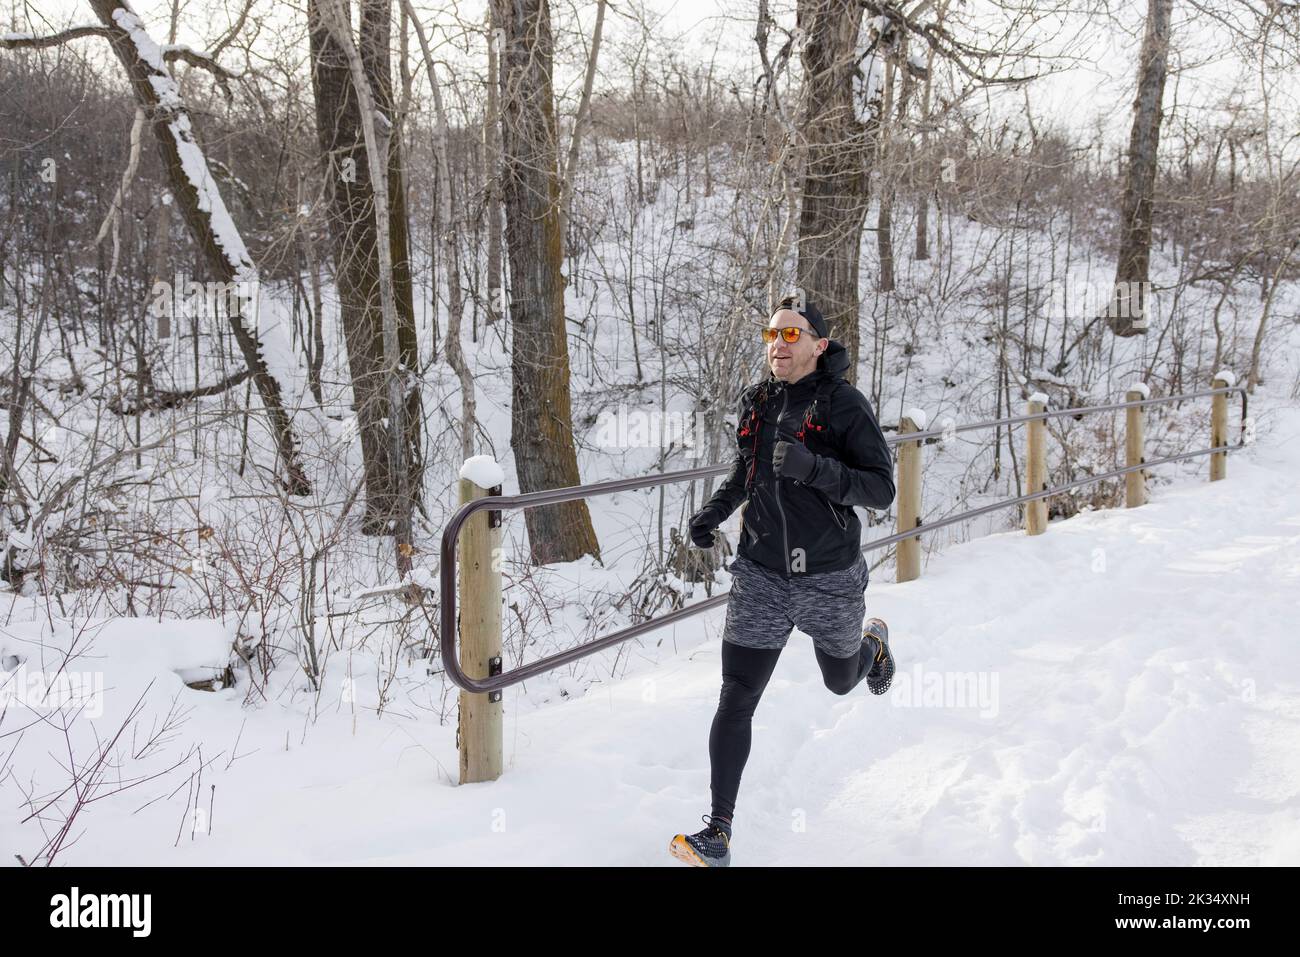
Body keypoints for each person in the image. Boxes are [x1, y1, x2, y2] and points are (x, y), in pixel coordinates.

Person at [668, 296, 897, 868]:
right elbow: (747, 473)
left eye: (792, 335)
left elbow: (881, 489)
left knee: (841, 681)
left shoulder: (845, 407)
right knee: (737, 696)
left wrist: (814, 469)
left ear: (819, 345)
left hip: (829, 578)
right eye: (773, 335)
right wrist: (715, 511)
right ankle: (717, 833)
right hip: (762, 574)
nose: (779, 344)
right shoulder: (759, 401)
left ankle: (873, 646)